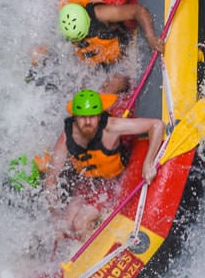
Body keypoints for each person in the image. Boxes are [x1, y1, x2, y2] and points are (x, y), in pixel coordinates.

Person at [44, 89, 166, 240]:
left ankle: (90, 252)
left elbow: (157, 125)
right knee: (68, 223)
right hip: (87, 183)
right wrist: (55, 216)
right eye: (83, 118)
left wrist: (148, 163)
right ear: (75, 118)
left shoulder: (111, 127)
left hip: (112, 182)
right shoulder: (65, 139)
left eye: (92, 117)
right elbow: (51, 179)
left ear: (99, 116)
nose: (88, 122)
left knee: (80, 224)